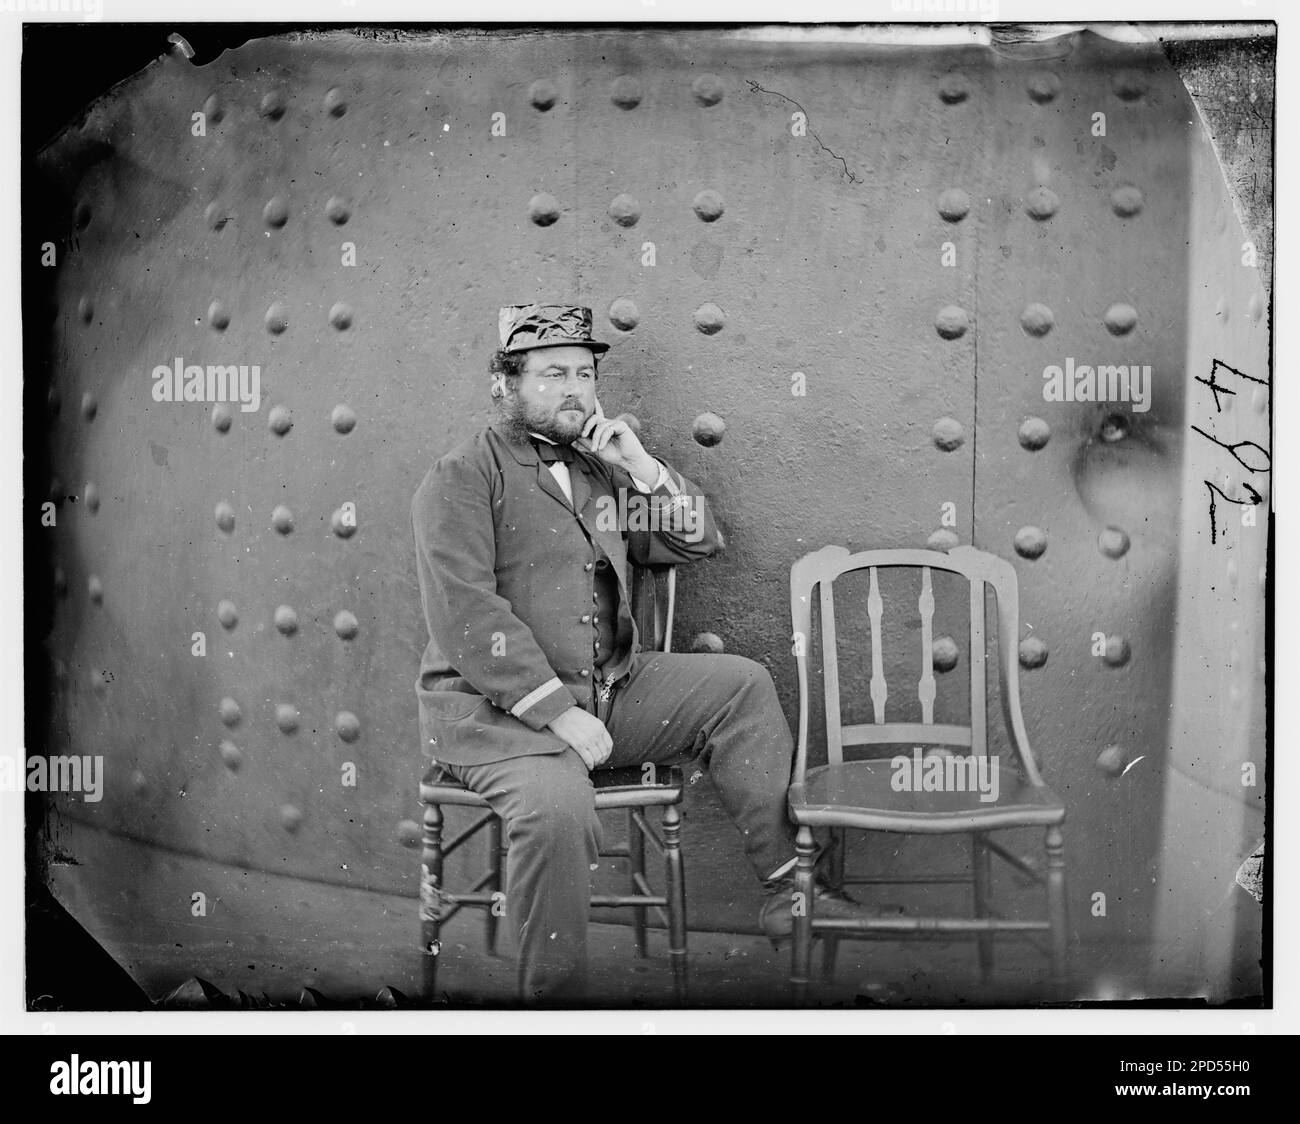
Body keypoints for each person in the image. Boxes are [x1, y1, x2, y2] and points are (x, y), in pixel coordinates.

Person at [411, 303, 859, 1002]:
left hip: (607, 694)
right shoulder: (463, 475)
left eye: (585, 374)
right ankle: (551, 1007)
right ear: (506, 384)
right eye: (553, 374)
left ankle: (785, 891)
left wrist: (641, 465)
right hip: (494, 720)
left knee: (741, 686)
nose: (575, 390)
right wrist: (559, 714)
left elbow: (697, 541)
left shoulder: (599, 471)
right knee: (557, 810)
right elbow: (467, 614)